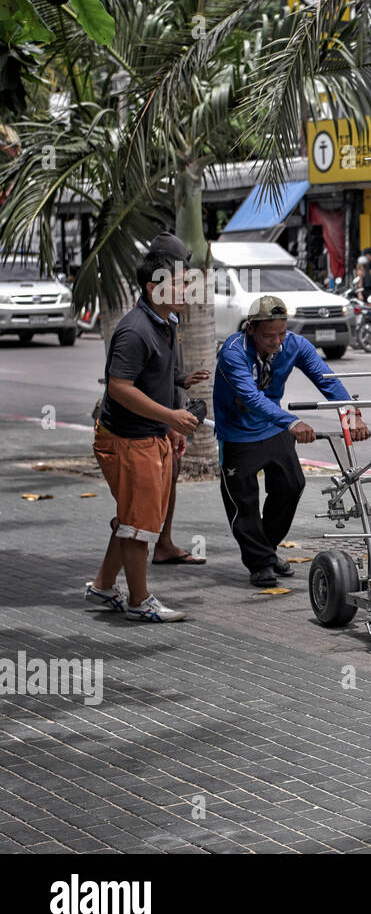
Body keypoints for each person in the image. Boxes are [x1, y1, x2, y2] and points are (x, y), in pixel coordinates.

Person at [213, 295, 370, 586]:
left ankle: (266, 550)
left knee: (291, 484)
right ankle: (260, 563)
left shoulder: (295, 345)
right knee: (243, 502)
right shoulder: (233, 352)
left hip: (273, 427)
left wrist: (351, 416)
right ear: (250, 329)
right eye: (268, 335)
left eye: (281, 333)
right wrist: (293, 421)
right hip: (237, 433)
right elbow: (250, 396)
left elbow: (327, 380)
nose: (276, 341)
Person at [84, 233, 198, 622]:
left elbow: (156, 379)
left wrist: (171, 422)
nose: (187, 288)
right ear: (154, 287)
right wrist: (169, 418)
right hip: (128, 441)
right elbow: (119, 388)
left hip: (149, 436)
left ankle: (102, 587)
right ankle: (139, 601)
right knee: (138, 522)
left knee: (133, 517)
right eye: (180, 282)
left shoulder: (165, 322)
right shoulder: (136, 329)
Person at [152, 329, 209, 566]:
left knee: (171, 475)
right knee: (141, 497)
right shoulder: (142, 327)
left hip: (167, 419)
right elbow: (141, 383)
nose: (185, 291)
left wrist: (183, 379)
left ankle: (163, 542)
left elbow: (167, 374)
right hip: (146, 428)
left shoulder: (169, 324)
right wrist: (168, 423)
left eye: (186, 288)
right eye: (178, 288)